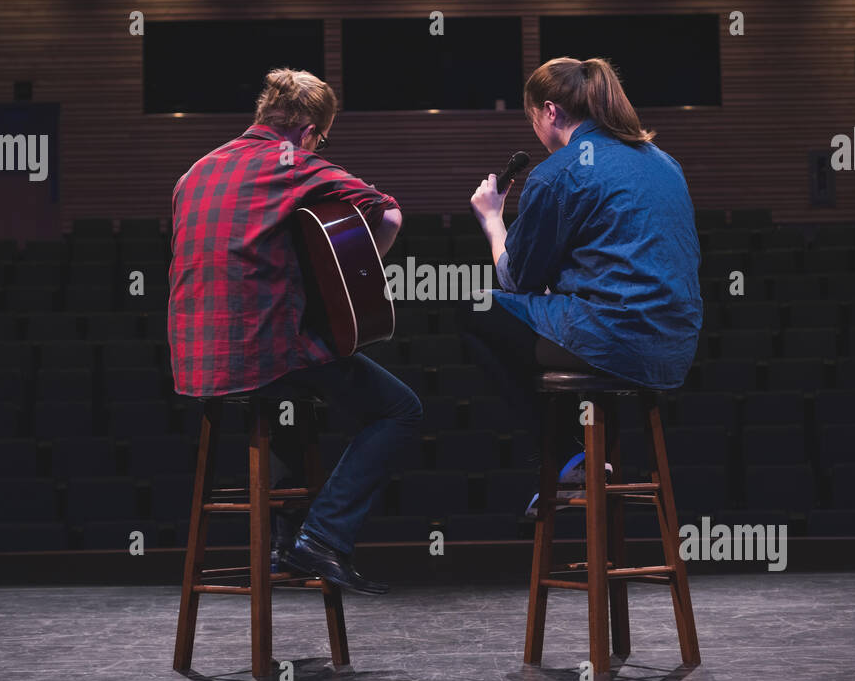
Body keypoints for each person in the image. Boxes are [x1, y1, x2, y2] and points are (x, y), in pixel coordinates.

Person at [167, 67, 422, 594]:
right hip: (263, 353)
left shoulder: (193, 173)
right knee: (400, 410)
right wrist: (350, 277)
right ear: (309, 132)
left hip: (194, 361)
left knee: (293, 396)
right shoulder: (296, 164)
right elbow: (388, 211)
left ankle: (285, 548)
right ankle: (322, 539)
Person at [463, 57, 703, 513]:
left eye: (532, 118)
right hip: (674, 346)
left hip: (616, 338)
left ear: (550, 112)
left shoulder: (558, 172)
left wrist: (493, 221)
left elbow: (516, 281)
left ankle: (568, 458)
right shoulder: (665, 162)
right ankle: (589, 462)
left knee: (477, 310)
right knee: (559, 319)